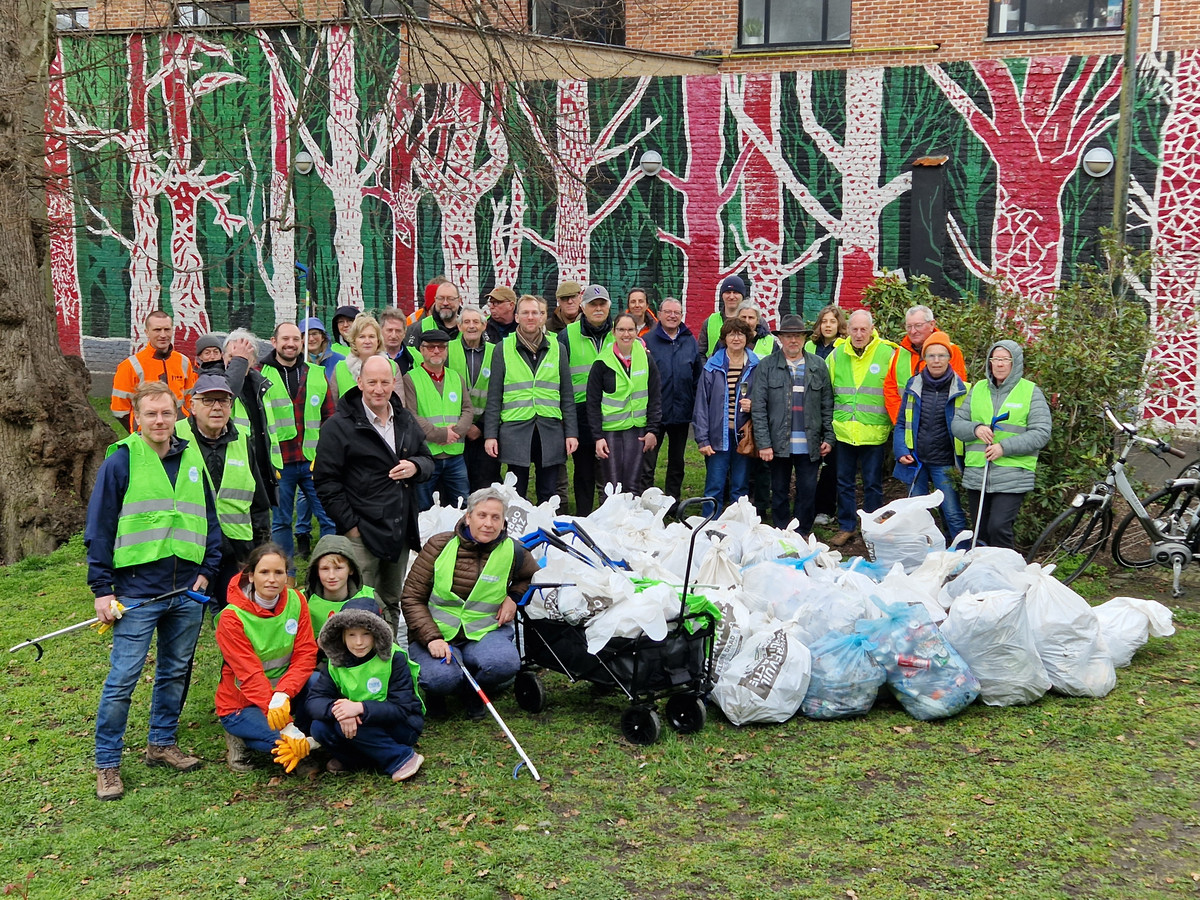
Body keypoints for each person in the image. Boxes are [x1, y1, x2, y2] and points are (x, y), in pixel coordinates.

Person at [86, 381, 221, 800]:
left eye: (166, 413)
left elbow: (208, 515)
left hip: (186, 589)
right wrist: (102, 589)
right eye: (151, 414)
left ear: (177, 413)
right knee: (123, 677)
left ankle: (161, 743)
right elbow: (100, 528)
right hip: (136, 591)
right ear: (137, 418)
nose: (160, 421)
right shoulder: (122, 461)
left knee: (175, 670)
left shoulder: (191, 454)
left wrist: (207, 570)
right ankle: (107, 763)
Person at [314, 356, 433, 635]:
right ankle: (354, 663)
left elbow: (428, 460)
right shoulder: (339, 426)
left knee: (392, 600)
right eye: (372, 382)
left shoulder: (404, 419)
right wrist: (350, 526)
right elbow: (325, 481)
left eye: (384, 382)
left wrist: (415, 467)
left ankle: (387, 655)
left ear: (394, 383)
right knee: (358, 603)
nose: (378, 389)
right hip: (362, 532)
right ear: (359, 383)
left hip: (400, 528)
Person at [401, 488, 540, 718]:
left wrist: (514, 598)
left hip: (484, 632)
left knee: (505, 664)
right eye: (482, 515)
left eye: (496, 517)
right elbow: (411, 597)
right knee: (439, 679)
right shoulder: (439, 546)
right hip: (438, 634)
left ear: (503, 522)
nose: (488, 523)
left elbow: (530, 576)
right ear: (468, 517)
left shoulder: (514, 551)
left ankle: (472, 691)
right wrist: (431, 638)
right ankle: (440, 691)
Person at [215, 543, 318, 774]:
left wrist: (283, 694)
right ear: (251, 576)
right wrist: (287, 726)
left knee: (318, 684)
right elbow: (250, 675)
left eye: (278, 572)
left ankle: (300, 739)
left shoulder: (296, 600)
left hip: (284, 693)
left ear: (286, 575)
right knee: (284, 742)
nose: (272, 579)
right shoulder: (231, 618)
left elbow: (305, 654)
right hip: (243, 703)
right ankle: (240, 737)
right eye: (264, 572)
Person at [177, 374, 273, 605]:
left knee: (235, 618)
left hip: (235, 548)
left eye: (223, 401)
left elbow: (258, 502)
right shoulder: (175, 436)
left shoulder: (242, 440)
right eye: (208, 401)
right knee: (187, 619)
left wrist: (259, 552)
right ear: (192, 405)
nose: (217, 407)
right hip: (189, 548)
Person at [307, 596, 425, 781]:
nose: (359, 642)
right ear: (342, 636)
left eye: (366, 634)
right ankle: (359, 760)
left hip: (400, 724)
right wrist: (339, 711)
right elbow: (315, 700)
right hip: (356, 723)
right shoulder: (336, 661)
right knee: (319, 728)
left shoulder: (395, 658)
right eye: (352, 635)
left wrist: (360, 708)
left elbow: (401, 708)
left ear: (377, 634)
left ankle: (402, 758)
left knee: (349, 726)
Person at [952, 340, 1051, 550]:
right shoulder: (978, 388)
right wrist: (976, 429)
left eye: (1005, 360)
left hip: (1012, 473)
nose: (999, 364)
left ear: (1015, 363)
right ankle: (983, 576)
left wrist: (1004, 447)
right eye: (995, 359)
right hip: (978, 471)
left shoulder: (1031, 392)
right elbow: (957, 424)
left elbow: (1041, 433)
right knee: (980, 530)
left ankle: (1008, 573)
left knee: (999, 527)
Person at [484, 295, 578, 504]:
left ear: (542, 317)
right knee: (516, 495)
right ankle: (518, 536)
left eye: (535, 312)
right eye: (525, 312)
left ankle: (547, 533)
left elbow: (567, 396)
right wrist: (490, 435)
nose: (530, 317)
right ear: (517, 317)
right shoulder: (502, 349)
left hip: (550, 430)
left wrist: (571, 433)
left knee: (548, 494)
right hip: (516, 431)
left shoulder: (557, 349)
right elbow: (494, 397)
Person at [261, 322, 337, 570]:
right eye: (285, 339)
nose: (291, 343)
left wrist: (325, 454)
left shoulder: (316, 373)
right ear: (274, 342)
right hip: (279, 462)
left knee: (328, 517)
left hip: (313, 461)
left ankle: (327, 568)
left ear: (301, 343)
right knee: (281, 521)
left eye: (296, 339)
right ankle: (287, 572)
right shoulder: (259, 374)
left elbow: (329, 418)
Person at [750, 314, 834, 535]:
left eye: (797, 336)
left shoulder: (818, 365)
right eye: (788, 336)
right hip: (778, 442)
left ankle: (802, 532)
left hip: (810, 441)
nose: (793, 341)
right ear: (781, 339)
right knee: (778, 490)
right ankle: (780, 531)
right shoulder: (767, 366)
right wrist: (764, 443)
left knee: (807, 490)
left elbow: (827, 404)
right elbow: (758, 408)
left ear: (805, 339)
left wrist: (829, 437)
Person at [825, 310, 899, 547]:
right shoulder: (837, 355)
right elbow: (826, 391)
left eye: (863, 330)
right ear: (848, 329)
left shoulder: (887, 353)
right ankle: (846, 527)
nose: (858, 334)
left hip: (874, 433)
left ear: (871, 329)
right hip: (844, 432)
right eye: (854, 329)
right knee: (844, 482)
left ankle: (873, 528)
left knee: (872, 484)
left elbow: (897, 389)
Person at [894, 332, 970, 543]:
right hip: (916, 462)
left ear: (949, 358)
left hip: (945, 463)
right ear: (924, 358)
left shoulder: (963, 389)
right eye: (931, 355)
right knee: (915, 513)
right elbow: (902, 422)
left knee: (952, 512)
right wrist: (901, 450)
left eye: (941, 355)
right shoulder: (913, 384)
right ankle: (919, 553)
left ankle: (962, 553)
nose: (936, 360)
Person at [587, 313, 662, 494]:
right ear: (614, 332)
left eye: (630, 329)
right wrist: (598, 437)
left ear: (637, 332)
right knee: (612, 486)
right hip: (610, 431)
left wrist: (652, 430)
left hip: (637, 430)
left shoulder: (646, 358)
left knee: (632, 486)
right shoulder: (602, 362)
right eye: (621, 329)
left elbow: (655, 396)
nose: (626, 334)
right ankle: (610, 521)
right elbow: (593, 403)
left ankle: (630, 522)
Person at [693, 319, 759, 516]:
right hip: (717, 436)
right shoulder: (712, 366)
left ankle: (738, 527)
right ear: (725, 338)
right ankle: (708, 525)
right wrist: (702, 439)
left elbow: (766, 399)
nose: (736, 338)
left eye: (740, 334)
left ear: (747, 337)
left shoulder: (757, 366)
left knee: (740, 487)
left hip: (743, 436)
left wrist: (753, 405)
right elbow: (701, 406)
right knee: (714, 486)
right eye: (731, 334)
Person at [402, 329, 473, 511]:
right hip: (426, 456)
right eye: (430, 347)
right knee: (424, 508)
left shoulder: (456, 377)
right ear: (422, 350)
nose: (436, 351)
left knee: (463, 506)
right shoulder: (411, 379)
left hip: (455, 455)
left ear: (447, 350)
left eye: (441, 347)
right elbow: (411, 414)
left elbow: (467, 409)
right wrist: (442, 434)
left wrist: (455, 432)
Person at [558, 285, 614, 515]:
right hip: (580, 412)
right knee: (583, 470)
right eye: (593, 304)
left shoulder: (618, 333)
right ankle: (583, 516)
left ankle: (608, 516)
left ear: (609, 306)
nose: (598, 309)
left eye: (602, 304)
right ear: (583, 307)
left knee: (609, 470)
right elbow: (560, 377)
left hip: (612, 411)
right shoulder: (567, 335)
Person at [641, 297, 702, 504]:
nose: (672, 316)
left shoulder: (689, 341)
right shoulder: (648, 341)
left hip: (681, 412)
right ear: (659, 314)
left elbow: (696, 376)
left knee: (676, 462)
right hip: (655, 412)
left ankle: (673, 502)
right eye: (668, 312)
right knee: (648, 460)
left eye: (677, 312)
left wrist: (693, 405)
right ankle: (646, 501)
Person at [111, 310, 198, 433]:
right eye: (157, 330)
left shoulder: (184, 362)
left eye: (167, 329)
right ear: (147, 332)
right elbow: (119, 409)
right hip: (147, 435)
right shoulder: (130, 366)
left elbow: (191, 400)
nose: (163, 335)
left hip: (181, 432)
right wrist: (138, 430)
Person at [884, 304, 968, 423]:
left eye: (918, 325)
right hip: (906, 425)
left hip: (939, 427)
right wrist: (901, 420)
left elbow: (957, 391)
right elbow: (890, 389)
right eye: (909, 326)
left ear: (932, 324)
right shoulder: (900, 352)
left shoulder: (952, 351)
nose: (913, 331)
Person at [447, 306, 501, 492]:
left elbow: (499, 393)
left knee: (485, 484)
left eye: (476, 322)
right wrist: (465, 425)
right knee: (457, 486)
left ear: (484, 326)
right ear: (459, 326)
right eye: (467, 322)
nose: (471, 326)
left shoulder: (497, 352)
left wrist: (482, 426)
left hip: (485, 430)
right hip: (455, 429)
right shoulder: (447, 349)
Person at [805, 304, 847, 526]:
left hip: (835, 410)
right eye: (824, 321)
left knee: (832, 464)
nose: (828, 325)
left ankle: (825, 508)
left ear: (839, 324)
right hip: (810, 410)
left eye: (832, 321)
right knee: (810, 462)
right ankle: (806, 505)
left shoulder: (844, 347)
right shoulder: (809, 347)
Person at [305, 534, 377, 642]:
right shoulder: (302, 600)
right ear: (316, 571)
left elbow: (387, 641)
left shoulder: (370, 597)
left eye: (338, 568)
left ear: (351, 569)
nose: (331, 576)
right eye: (325, 569)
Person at [332, 314, 393, 398]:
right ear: (353, 340)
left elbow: (399, 405)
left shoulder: (392, 366)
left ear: (378, 340)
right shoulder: (340, 368)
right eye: (362, 337)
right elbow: (332, 407)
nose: (367, 341)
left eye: (371, 336)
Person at [404, 281, 462, 363]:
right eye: (441, 298)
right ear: (435, 300)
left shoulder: (469, 328)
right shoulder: (418, 328)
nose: (445, 303)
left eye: (450, 298)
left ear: (459, 300)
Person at [700, 275, 747, 357]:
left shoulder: (753, 320)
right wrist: (708, 368)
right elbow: (700, 353)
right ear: (722, 295)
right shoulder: (710, 321)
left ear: (742, 296)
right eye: (728, 292)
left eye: (735, 292)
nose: (731, 297)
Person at [302, 317, 344, 381]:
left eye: (315, 334)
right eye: (306, 334)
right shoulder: (295, 361)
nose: (311, 339)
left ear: (323, 337)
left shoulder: (339, 361)